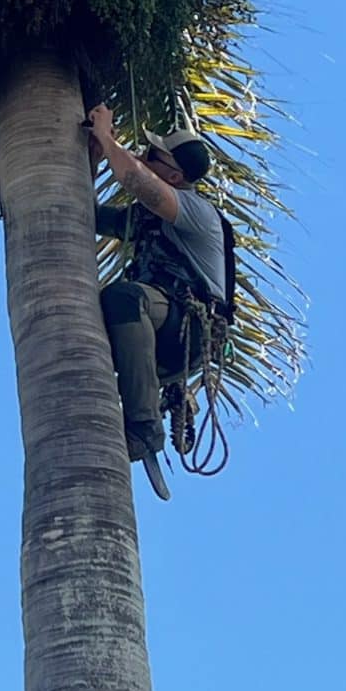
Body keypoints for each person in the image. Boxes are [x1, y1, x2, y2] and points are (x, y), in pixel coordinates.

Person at [86, 102, 227, 501]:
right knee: (104, 310)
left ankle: (146, 427)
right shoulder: (147, 219)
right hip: (161, 328)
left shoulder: (195, 211)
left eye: (154, 156)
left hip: (189, 328)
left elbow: (135, 178)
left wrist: (107, 138)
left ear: (175, 175)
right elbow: (88, 214)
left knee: (124, 298)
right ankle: (161, 396)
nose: (145, 158)